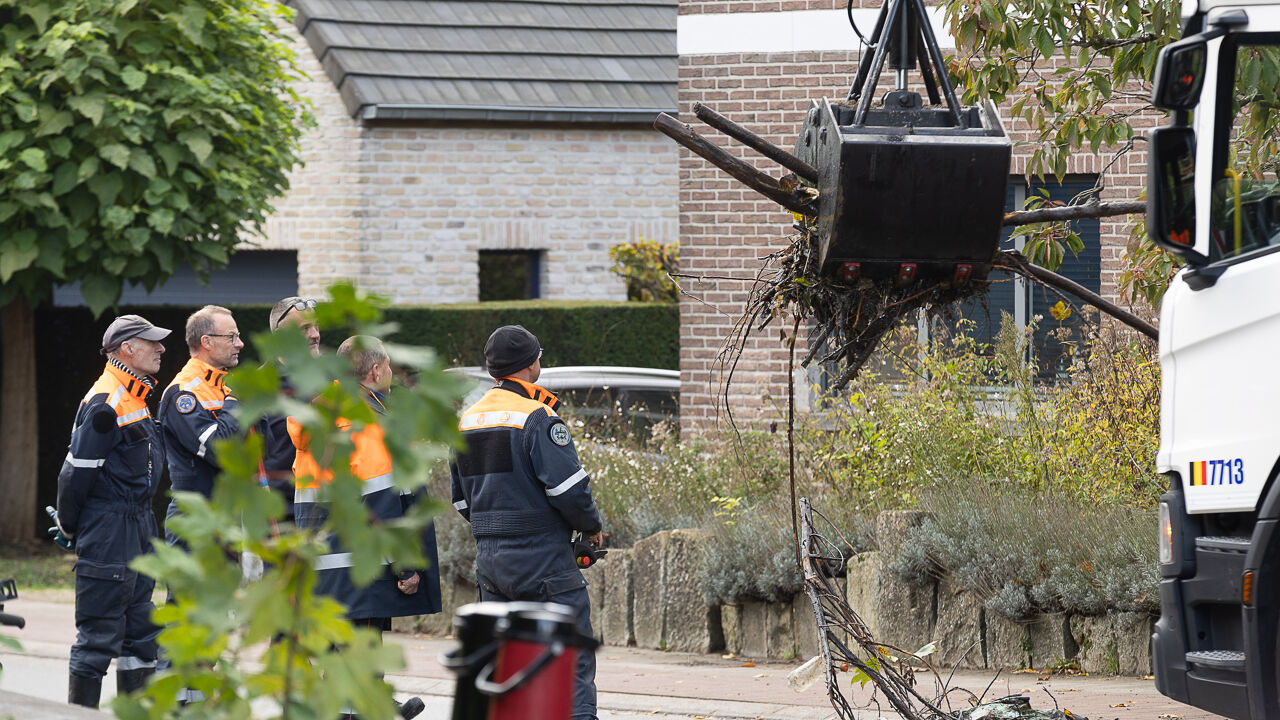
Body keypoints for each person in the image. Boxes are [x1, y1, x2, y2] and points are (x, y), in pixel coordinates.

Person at [450, 325, 605, 720]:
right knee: (570, 657)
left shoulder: (467, 421)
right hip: (544, 560)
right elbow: (569, 490)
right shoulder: (538, 417)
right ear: (531, 364)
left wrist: (494, 527)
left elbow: (460, 499)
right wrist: (590, 526)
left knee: (505, 665)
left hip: (491, 564)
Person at [290, 335, 438, 720]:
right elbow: (381, 504)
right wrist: (404, 566)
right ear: (375, 370)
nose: (390, 373)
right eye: (388, 366)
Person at [55, 315, 170, 708]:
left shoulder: (134, 396)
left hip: (138, 527)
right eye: (152, 343)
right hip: (109, 532)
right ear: (127, 350)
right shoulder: (108, 402)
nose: (161, 349)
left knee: (140, 637)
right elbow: (75, 475)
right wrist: (69, 528)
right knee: (98, 639)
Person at [158, 306, 244, 544]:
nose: (240, 344)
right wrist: (236, 403)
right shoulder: (183, 393)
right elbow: (219, 451)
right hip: (194, 521)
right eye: (232, 337)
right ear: (206, 341)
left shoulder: (225, 386)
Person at [254, 296, 321, 522]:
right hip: (282, 518)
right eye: (304, 329)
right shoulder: (260, 385)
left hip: (325, 513)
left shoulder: (329, 377)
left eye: (316, 327)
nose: (315, 335)